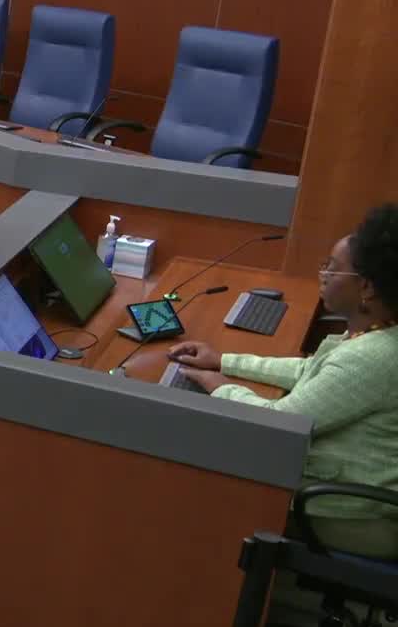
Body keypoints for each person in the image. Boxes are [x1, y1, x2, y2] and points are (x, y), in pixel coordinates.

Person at [170, 204, 398, 557]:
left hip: (354, 515)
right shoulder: (377, 332)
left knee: (201, 485)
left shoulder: (372, 357)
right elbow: (310, 370)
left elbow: (278, 425)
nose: (322, 274)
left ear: (366, 286)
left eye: (332, 268)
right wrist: (224, 360)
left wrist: (218, 386)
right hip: (351, 495)